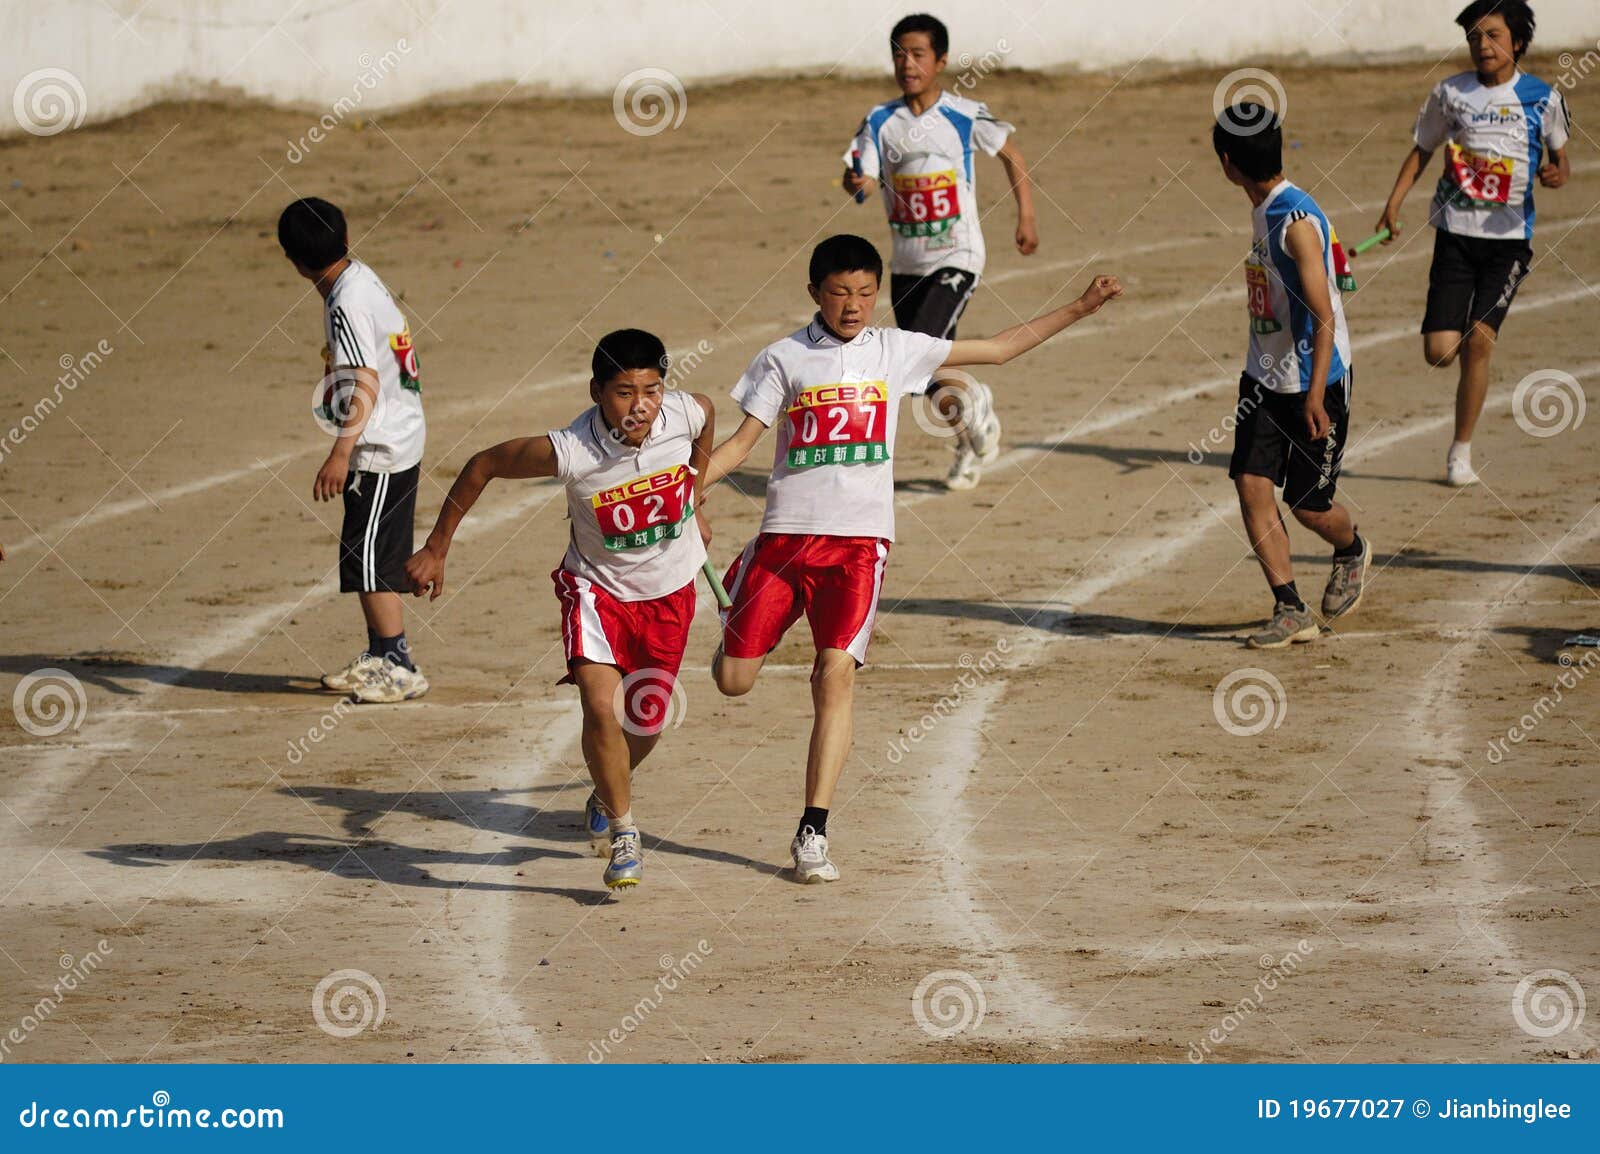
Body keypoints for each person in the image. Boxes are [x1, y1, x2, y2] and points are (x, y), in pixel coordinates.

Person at [704, 234, 1119, 882]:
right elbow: (739, 446)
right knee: (733, 681)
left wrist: (1080, 308)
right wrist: (683, 486)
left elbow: (1001, 349)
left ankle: (813, 829)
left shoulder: (897, 349)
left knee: (833, 674)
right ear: (815, 293)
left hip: (861, 545)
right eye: (840, 292)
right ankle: (740, 578)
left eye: (867, 293)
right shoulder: (782, 358)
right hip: (784, 540)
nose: (854, 305)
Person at [405, 330, 714, 892]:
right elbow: (483, 465)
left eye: (651, 389)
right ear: (597, 391)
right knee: (601, 708)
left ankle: (603, 790)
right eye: (624, 392)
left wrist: (697, 501)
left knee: (645, 723)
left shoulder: (685, 415)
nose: (640, 405)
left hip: (670, 594)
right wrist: (436, 546)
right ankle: (624, 833)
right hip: (595, 593)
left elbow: (708, 418)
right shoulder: (572, 449)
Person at [1371, 0, 1570, 487]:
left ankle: (1461, 450)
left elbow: (1561, 160)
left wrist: (1554, 173)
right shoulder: (1450, 93)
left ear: (1518, 42)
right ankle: (1468, 356)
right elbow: (1422, 150)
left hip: (1508, 243)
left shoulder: (1543, 99)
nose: (1484, 45)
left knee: (1479, 341)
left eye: (1495, 35)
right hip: (1455, 236)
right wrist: (1393, 205)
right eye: (1475, 37)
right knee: (1440, 352)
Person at [841, 12, 1038, 491]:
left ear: (941, 61)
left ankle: (975, 417)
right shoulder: (879, 120)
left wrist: (1026, 215)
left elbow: (1012, 153)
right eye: (899, 53)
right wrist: (857, 182)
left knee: (919, 355)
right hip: (907, 263)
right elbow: (860, 179)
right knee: (921, 371)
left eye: (918, 54)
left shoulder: (963, 114)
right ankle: (972, 433)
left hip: (956, 254)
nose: (907, 63)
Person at [1214, 102, 1372, 649]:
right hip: (1262, 378)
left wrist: (1314, 393)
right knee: (1251, 482)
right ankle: (1289, 607)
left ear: (1227, 162)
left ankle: (1350, 550)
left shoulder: (1295, 222)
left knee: (1309, 506)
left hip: (1315, 382)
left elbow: (1324, 313)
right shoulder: (1267, 209)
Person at [278, 197, 429, 703]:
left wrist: (341, 452)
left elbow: (364, 376)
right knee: (370, 552)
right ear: (345, 239)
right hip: (401, 428)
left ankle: (397, 662)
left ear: (293, 261)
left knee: (370, 560)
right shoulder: (359, 277)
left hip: (379, 444)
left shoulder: (343, 300)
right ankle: (381, 651)